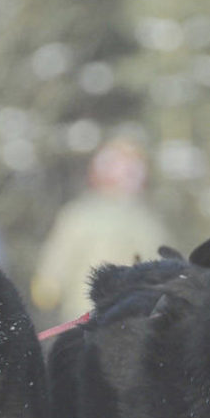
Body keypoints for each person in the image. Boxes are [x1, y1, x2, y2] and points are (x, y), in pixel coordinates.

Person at [29, 138, 174, 327]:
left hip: (98, 313)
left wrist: (49, 282)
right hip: (117, 313)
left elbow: (60, 255)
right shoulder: (144, 219)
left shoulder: (83, 214)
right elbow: (164, 263)